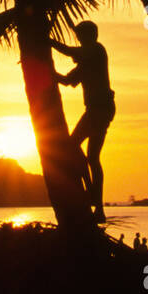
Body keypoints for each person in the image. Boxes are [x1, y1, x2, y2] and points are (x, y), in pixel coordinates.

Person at [52, 22, 116, 224]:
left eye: (80, 37)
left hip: (100, 109)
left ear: (90, 37)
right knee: (92, 158)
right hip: (98, 110)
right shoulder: (85, 65)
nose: (78, 41)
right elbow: (65, 81)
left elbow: (70, 50)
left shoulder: (97, 50)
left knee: (75, 147)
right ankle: (96, 203)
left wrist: (47, 40)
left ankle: (92, 195)